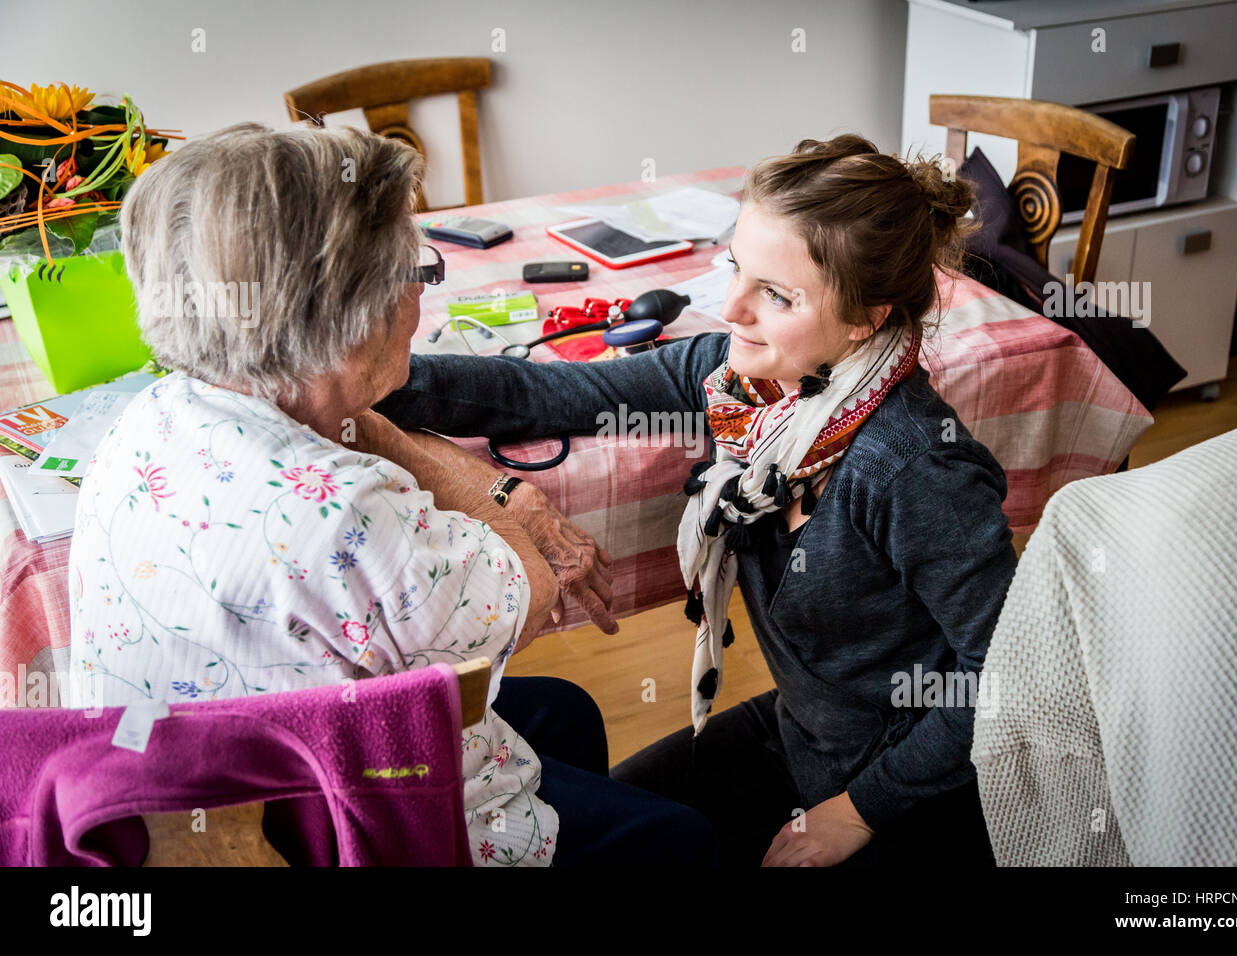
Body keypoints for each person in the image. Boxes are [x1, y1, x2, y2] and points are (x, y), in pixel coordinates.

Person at [65, 122, 716, 867]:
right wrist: (504, 499)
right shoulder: (347, 519)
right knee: (680, 839)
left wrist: (411, 447)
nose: (421, 297)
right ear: (350, 314)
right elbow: (533, 590)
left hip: (200, 788)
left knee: (564, 714)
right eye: (414, 273)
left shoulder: (150, 415)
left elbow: (349, 425)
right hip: (324, 827)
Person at [374, 134, 1019, 866]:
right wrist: (371, 372)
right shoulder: (740, 386)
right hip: (806, 734)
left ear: (868, 318)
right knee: (594, 833)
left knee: (623, 845)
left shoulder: (914, 468)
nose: (732, 307)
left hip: (907, 784)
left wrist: (857, 812)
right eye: (737, 268)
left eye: (777, 295)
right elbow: (549, 390)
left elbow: (1005, 674)